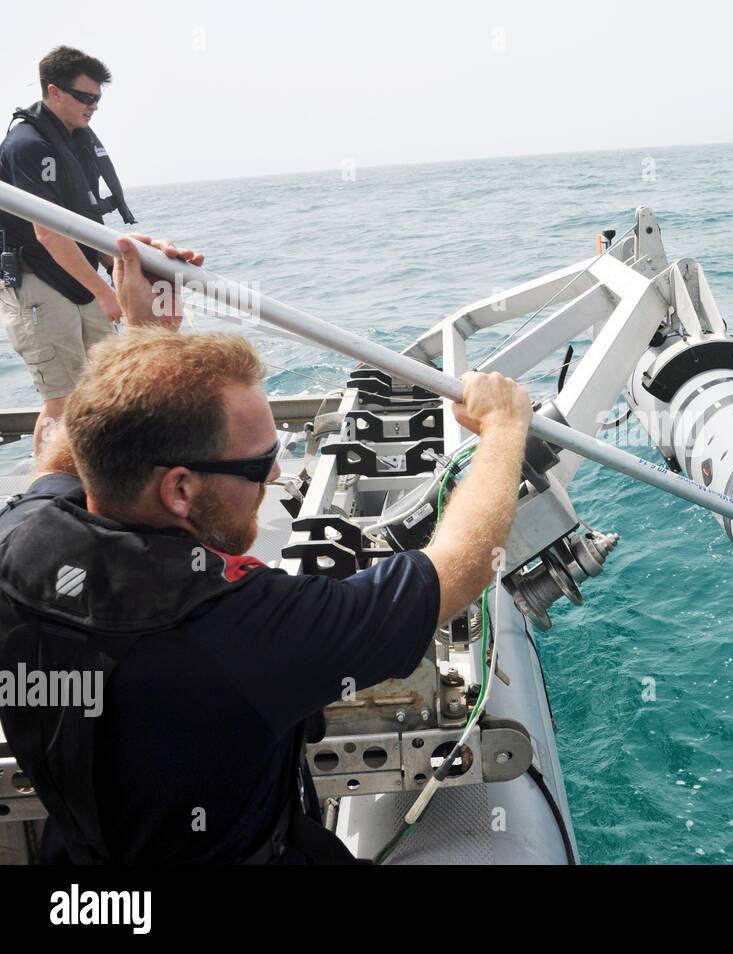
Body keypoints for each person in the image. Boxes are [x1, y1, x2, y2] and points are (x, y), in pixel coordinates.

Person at [0, 235, 534, 863]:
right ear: (179, 489)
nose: (276, 478)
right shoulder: (239, 628)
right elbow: (455, 572)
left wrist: (145, 334)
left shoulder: (24, 541)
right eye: (259, 464)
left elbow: (74, 450)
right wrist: (504, 430)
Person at [0, 46, 137, 457]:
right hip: (37, 283)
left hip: (78, 279)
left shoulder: (76, 139)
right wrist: (105, 293)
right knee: (62, 401)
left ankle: (97, 481)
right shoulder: (26, 144)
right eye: (85, 97)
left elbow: (86, 219)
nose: (93, 107)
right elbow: (49, 234)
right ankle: (46, 492)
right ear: (54, 91)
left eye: (97, 98)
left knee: (101, 391)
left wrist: (120, 272)